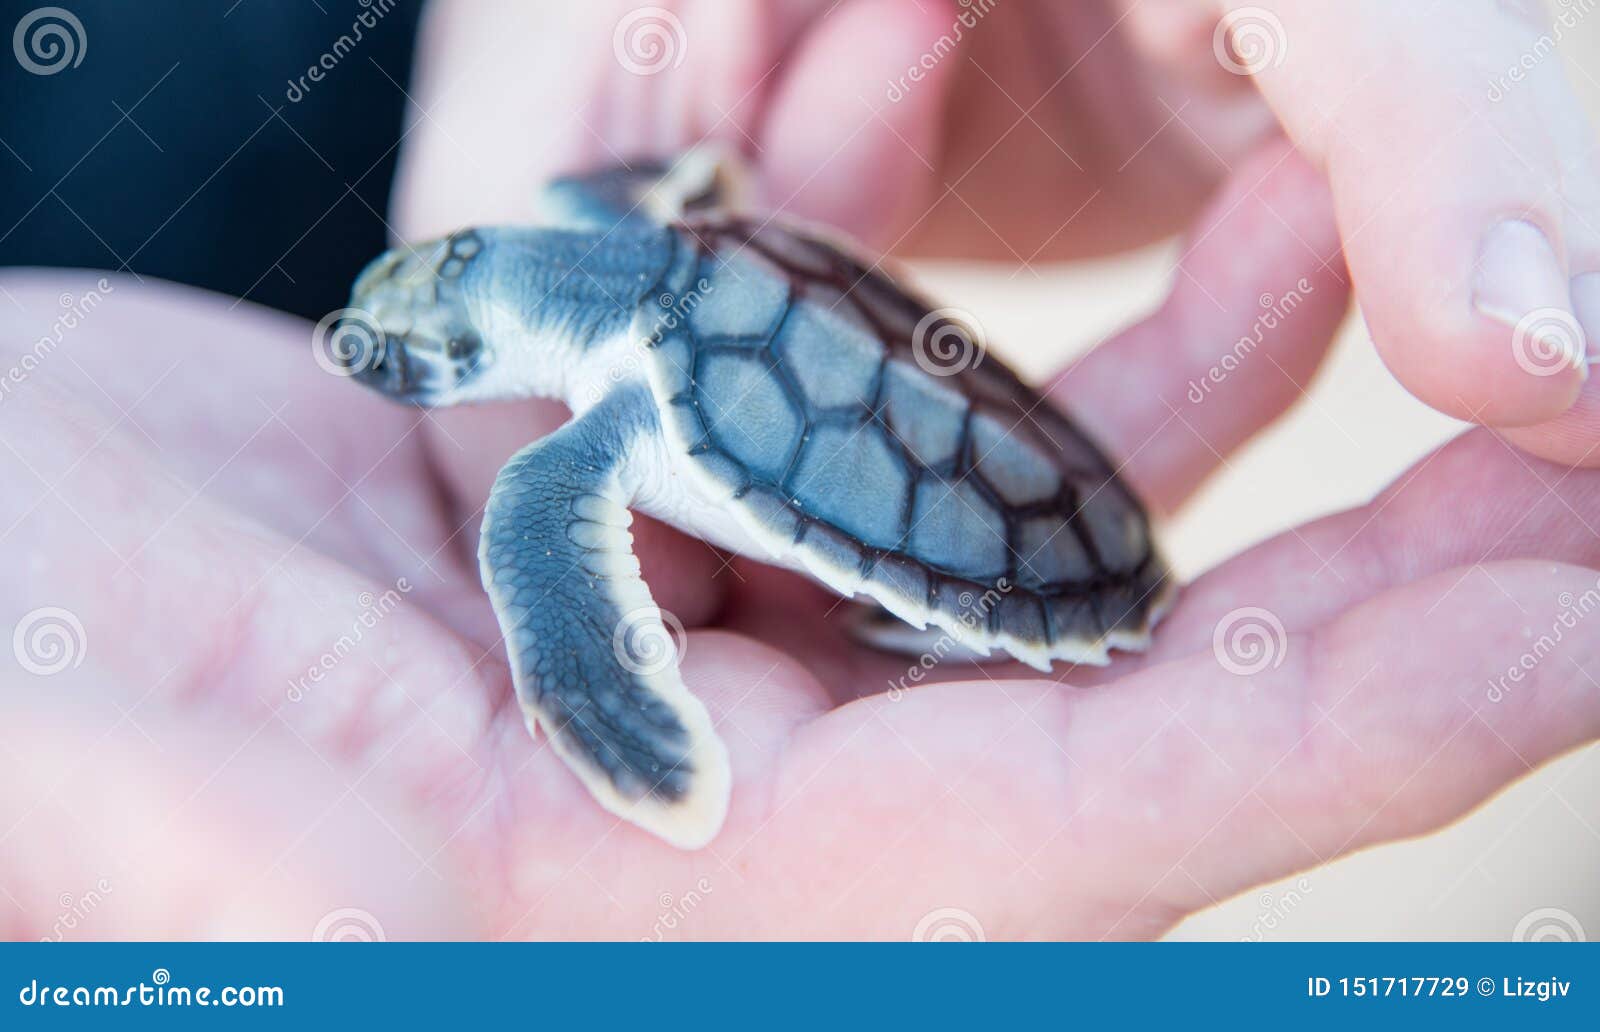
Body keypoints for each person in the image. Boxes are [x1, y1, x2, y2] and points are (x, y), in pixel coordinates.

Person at [2, 0, 1597, 940]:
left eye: (399, 349)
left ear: (477, 338)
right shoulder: (616, 235)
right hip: (892, 403)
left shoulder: (581, 433)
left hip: (993, 522)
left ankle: (993, 619)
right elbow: (653, 179)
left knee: (532, 513)